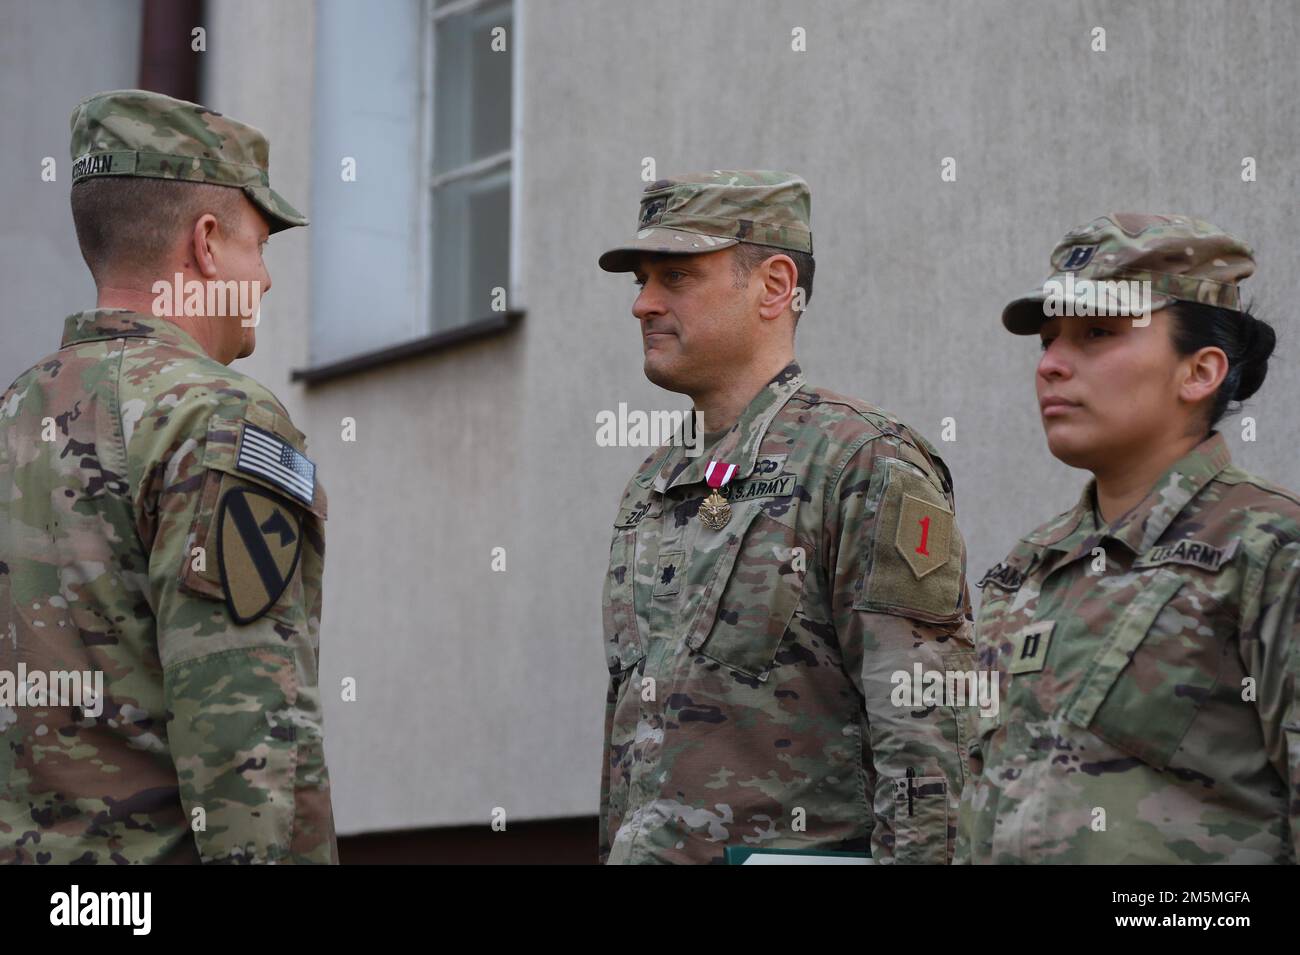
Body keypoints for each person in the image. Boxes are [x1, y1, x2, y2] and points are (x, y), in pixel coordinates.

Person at [596, 170, 975, 864]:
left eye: (674, 277)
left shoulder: (862, 460)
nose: (643, 304)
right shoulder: (655, 482)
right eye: (640, 280)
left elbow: (927, 735)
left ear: (773, 286)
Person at [0, 89, 336, 864]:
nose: (267, 280)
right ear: (207, 243)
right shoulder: (217, 417)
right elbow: (250, 743)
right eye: (261, 246)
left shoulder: (15, 410)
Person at [956, 212, 1299, 864]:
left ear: (1198, 371)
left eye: (1097, 334)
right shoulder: (1027, 569)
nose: (1052, 365)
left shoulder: (1269, 550)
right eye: (1048, 339)